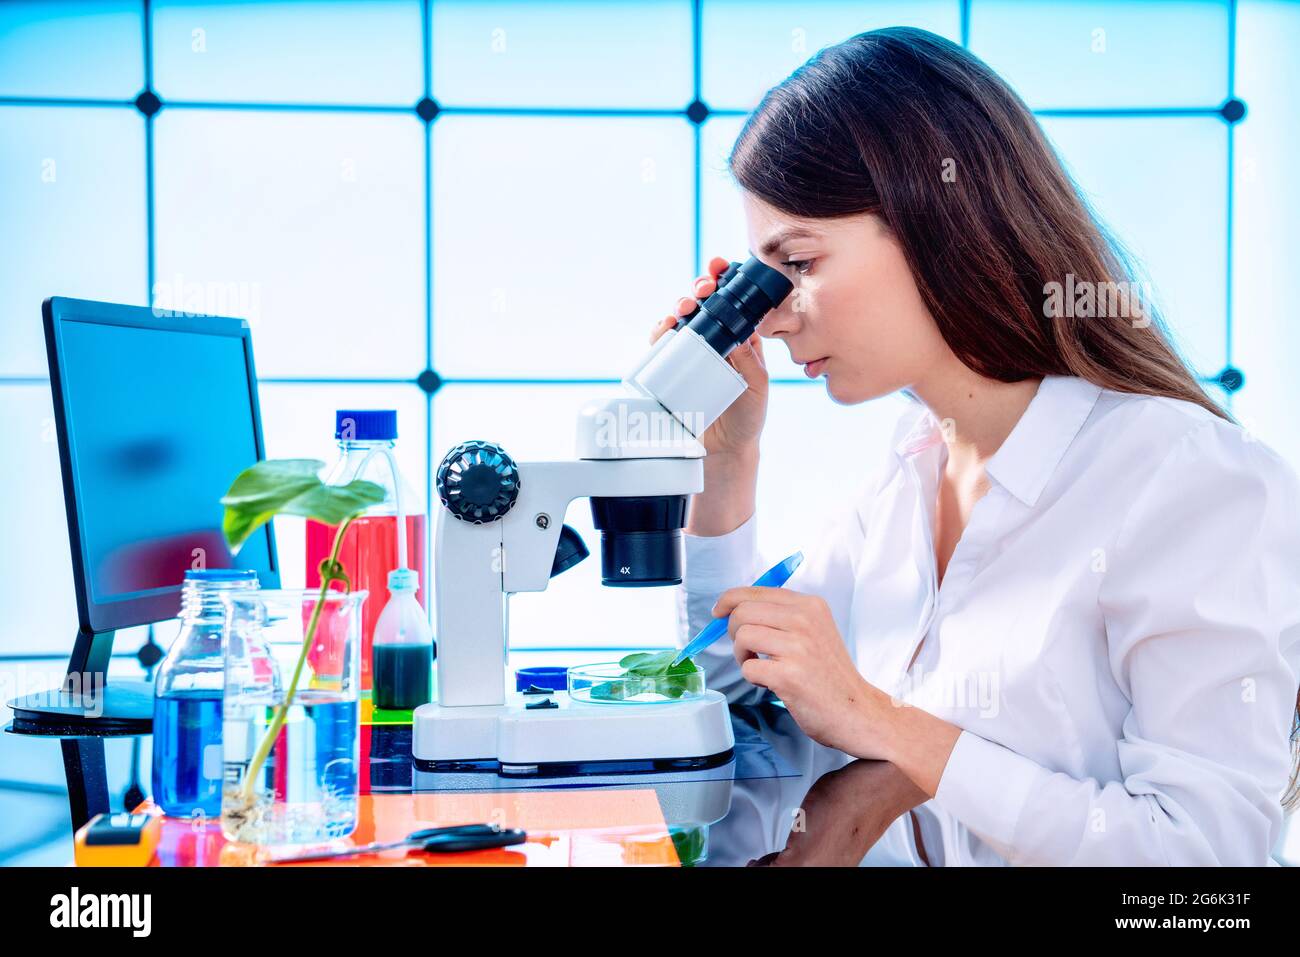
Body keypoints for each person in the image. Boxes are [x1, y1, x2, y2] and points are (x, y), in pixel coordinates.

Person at [655, 27, 1300, 866]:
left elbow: (1205, 879)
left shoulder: (1189, 481)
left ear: (935, 216)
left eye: (799, 263)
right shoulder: (904, 480)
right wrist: (729, 460)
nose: (773, 317)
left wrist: (897, 737)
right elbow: (732, 710)